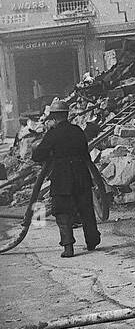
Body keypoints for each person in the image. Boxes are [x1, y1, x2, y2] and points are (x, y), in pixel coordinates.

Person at [32, 99, 105, 259]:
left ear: (55, 117)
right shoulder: (77, 131)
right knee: (86, 209)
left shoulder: (52, 133)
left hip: (62, 178)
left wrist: (51, 151)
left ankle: (68, 247)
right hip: (81, 175)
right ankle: (92, 240)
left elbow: (37, 156)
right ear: (66, 115)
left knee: (62, 211)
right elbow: (85, 153)